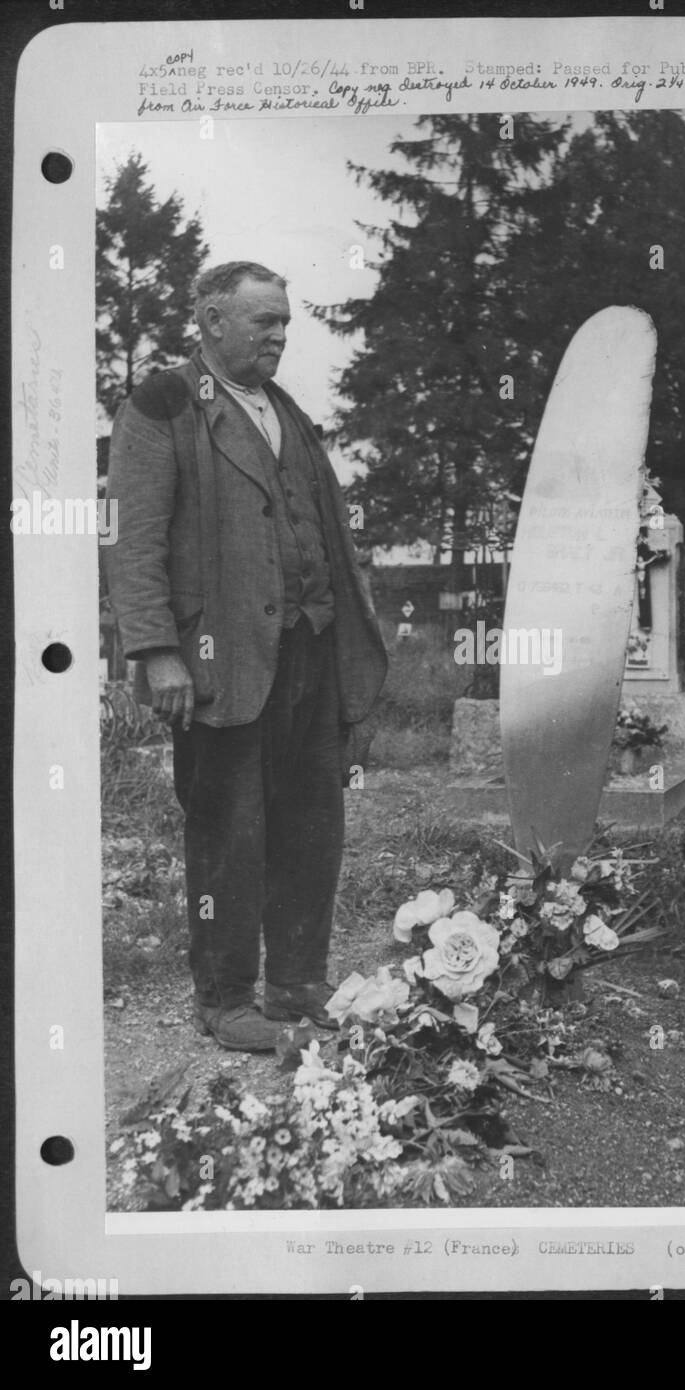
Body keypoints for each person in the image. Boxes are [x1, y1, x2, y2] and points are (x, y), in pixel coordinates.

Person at [105, 261, 387, 1052]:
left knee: (311, 822)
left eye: (286, 323)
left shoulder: (286, 411)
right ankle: (226, 1000)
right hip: (217, 658)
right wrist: (157, 651)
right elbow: (134, 539)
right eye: (263, 321)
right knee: (229, 829)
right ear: (210, 321)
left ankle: (297, 980)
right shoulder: (165, 404)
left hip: (309, 648)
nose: (279, 336)